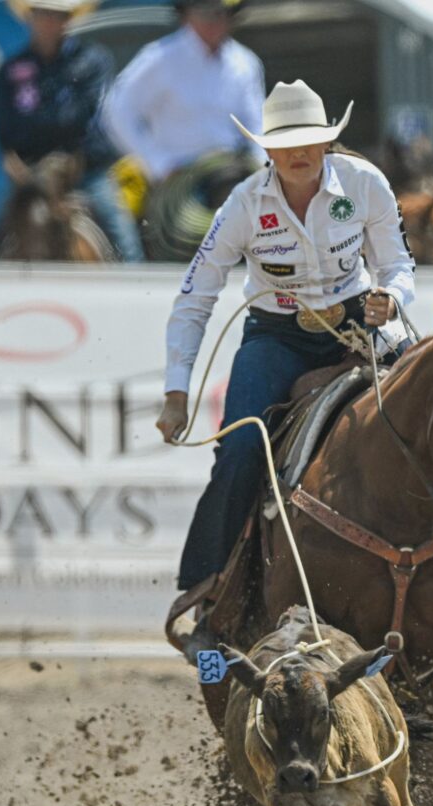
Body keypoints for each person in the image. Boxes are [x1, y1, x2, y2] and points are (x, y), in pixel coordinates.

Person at [155, 80, 413, 604]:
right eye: (285, 143)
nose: (299, 152)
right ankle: (212, 591)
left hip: (361, 324)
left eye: (309, 140)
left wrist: (391, 297)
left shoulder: (366, 184)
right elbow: (195, 297)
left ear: (327, 141)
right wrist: (176, 392)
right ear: (267, 150)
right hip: (277, 338)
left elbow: (398, 265)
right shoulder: (243, 205)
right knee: (240, 448)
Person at [0, 0, 143, 261]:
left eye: (58, 15)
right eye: (44, 14)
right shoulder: (11, 69)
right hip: (31, 178)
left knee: (123, 238)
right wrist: (18, 157)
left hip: (85, 172)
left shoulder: (93, 61)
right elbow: (5, 126)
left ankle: (136, 281)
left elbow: (90, 117)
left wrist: (38, 132)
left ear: (69, 19)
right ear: (31, 17)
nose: (50, 22)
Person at [100, 0, 265, 184]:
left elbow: (256, 122)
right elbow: (118, 111)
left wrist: (259, 164)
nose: (213, 21)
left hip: (231, 171)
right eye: (205, 14)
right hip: (179, 175)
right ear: (186, 16)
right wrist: (159, 163)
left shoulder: (244, 62)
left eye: (221, 14)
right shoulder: (159, 59)